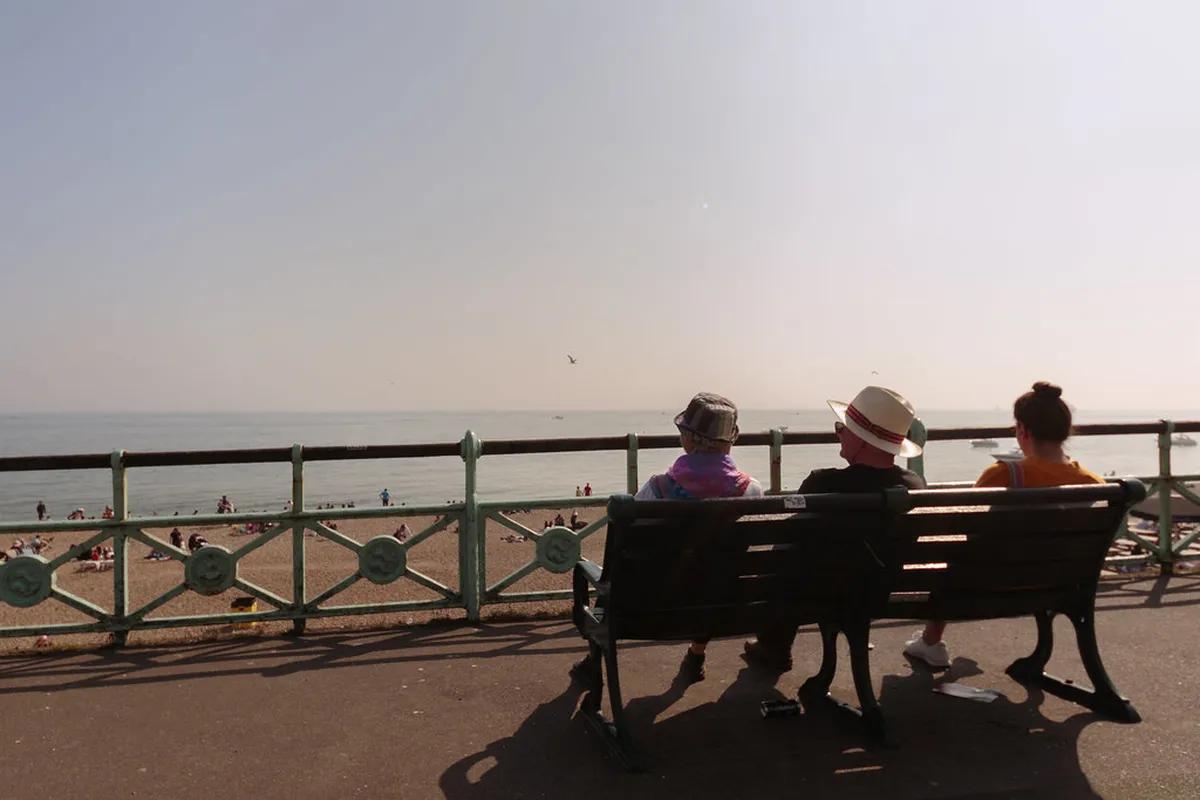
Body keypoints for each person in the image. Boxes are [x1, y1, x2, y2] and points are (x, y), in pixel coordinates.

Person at [903, 381, 1102, 669]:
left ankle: (931, 642)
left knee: (956, 555)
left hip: (986, 585)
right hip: (1058, 584)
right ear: (1065, 432)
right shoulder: (1093, 483)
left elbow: (964, 524)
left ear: (1022, 430)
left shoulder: (1002, 475)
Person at [744, 386, 926, 672]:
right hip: (880, 593)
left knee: (788, 557)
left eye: (842, 428)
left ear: (863, 438)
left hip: (820, 595)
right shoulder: (915, 485)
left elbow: (786, 539)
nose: (838, 433)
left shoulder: (822, 484)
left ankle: (775, 645)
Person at [634, 392, 764, 683]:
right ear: (730, 441)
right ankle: (696, 652)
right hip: (726, 604)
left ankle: (593, 660)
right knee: (713, 573)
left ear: (689, 440)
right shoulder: (752, 491)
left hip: (657, 605)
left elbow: (629, 538)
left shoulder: (657, 490)